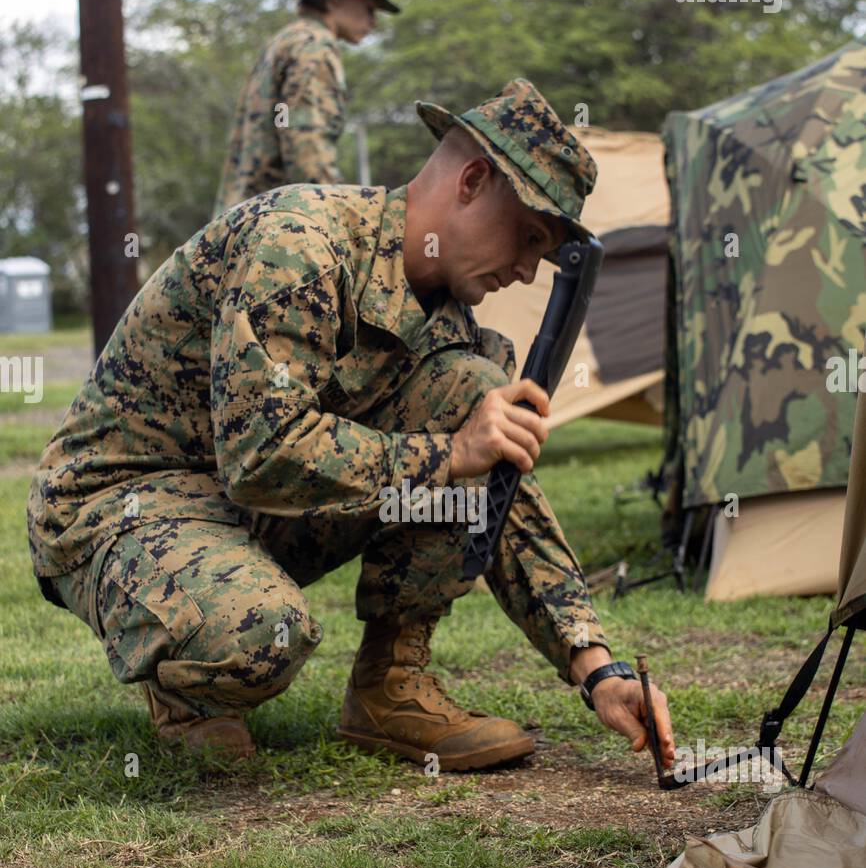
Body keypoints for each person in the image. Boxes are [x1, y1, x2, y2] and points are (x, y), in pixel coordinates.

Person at [28, 78, 675, 772]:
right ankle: (190, 686)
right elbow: (261, 453)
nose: (524, 272)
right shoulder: (299, 245)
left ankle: (390, 686)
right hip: (121, 504)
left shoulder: (443, 314)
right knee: (259, 633)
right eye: (528, 238)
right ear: (473, 180)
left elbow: (501, 489)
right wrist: (447, 455)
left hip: (242, 510)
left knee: (475, 394)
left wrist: (596, 666)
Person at [213, 0, 399, 214]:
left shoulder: (285, 40)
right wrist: (339, 219)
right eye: (369, 8)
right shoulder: (315, 47)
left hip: (241, 221)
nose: (373, 22)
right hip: (277, 230)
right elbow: (308, 154)